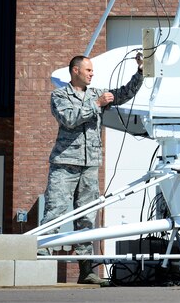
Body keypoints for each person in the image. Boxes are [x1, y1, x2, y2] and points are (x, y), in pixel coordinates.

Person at [40, 53, 144, 286]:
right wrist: (96, 105)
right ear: (75, 71)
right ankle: (40, 262)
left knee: (87, 218)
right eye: (88, 70)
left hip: (89, 165)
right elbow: (69, 119)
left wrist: (140, 72)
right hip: (65, 164)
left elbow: (124, 94)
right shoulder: (60, 95)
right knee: (55, 212)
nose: (92, 74)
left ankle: (86, 271)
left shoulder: (97, 93)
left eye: (92, 71)